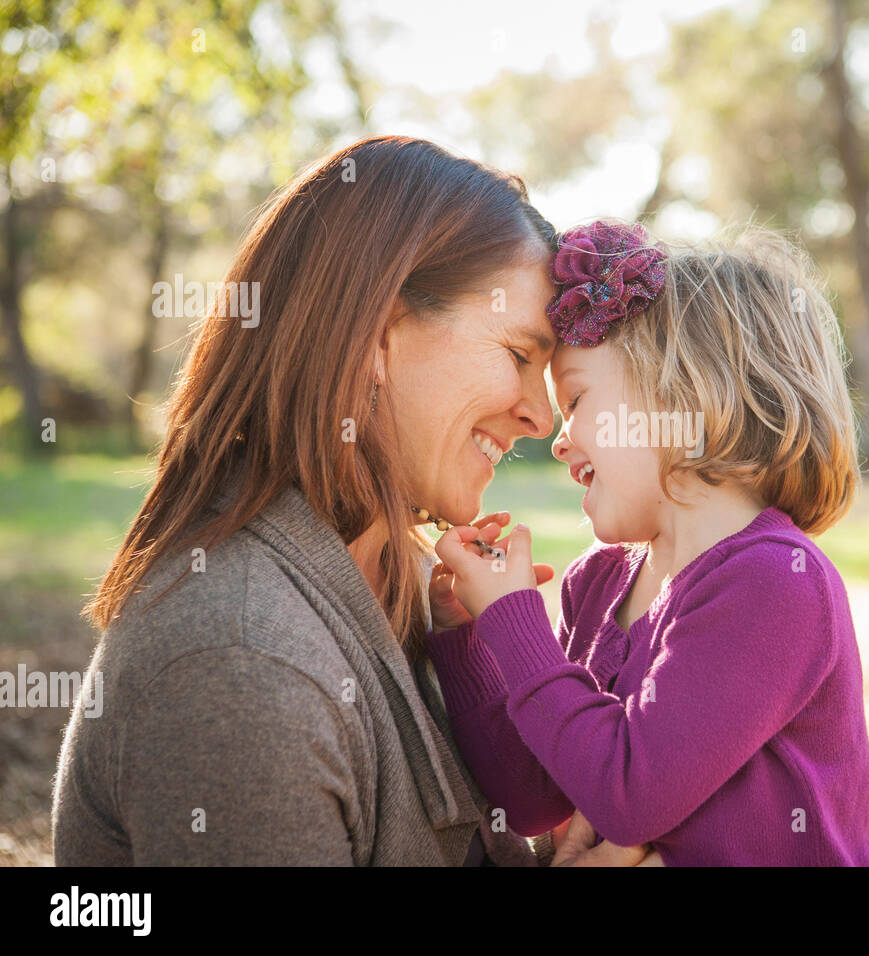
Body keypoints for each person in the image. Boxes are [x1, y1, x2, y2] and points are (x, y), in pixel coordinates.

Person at [53, 137, 655, 866]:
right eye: (519, 356)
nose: (542, 416)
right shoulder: (245, 659)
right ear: (376, 334)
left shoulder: (412, 593)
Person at [429, 220, 869, 865]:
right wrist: (469, 638)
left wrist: (514, 617)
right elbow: (532, 799)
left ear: (684, 395)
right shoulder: (599, 583)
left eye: (578, 397)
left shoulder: (774, 580)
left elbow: (628, 796)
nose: (558, 440)